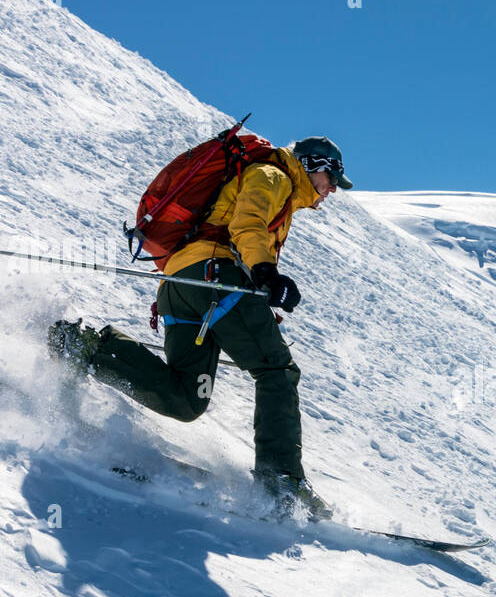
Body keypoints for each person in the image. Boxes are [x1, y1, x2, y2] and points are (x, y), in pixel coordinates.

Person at [47, 136, 352, 519]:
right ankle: (281, 481)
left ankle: (84, 347)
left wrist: (256, 291)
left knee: (186, 398)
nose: (331, 190)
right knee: (277, 370)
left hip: (181, 285)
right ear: (310, 164)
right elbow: (248, 222)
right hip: (214, 279)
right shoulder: (274, 175)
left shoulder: (278, 186)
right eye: (332, 177)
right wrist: (265, 272)